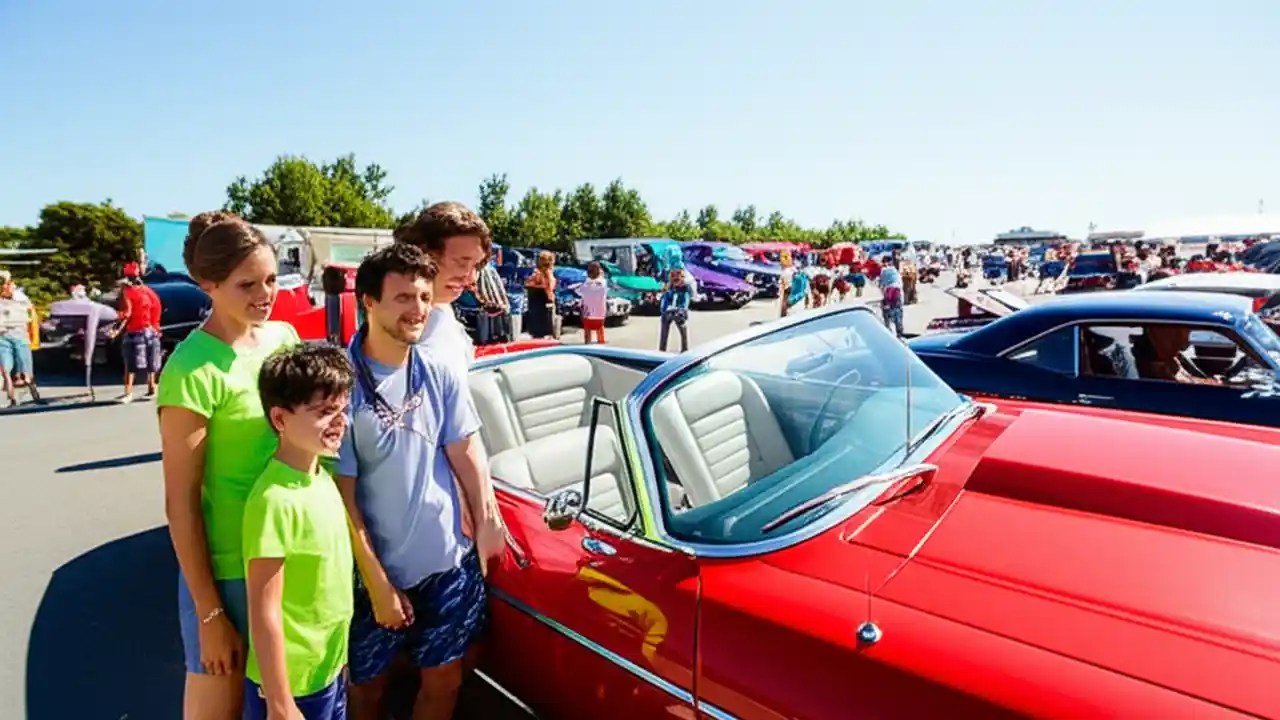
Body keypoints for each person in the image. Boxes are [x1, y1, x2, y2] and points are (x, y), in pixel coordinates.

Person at [336, 244, 505, 720]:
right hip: (375, 573)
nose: (418, 310)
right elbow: (342, 497)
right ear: (368, 301)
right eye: (404, 297)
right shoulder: (341, 386)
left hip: (448, 561)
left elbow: (465, 447)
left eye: (424, 297)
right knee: (367, 689)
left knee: (445, 682)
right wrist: (378, 584)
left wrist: (488, 517)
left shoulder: (436, 371)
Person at [157, 213, 301, 720]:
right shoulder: (191, 370)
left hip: (291, 555)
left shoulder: (283, 338)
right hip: (230, 571)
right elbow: (181, 505)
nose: (266, 294)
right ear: (207, 284)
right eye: (247, 284)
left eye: (271, 279)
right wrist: (209, 612)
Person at [242, 344, 355, 720]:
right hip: (292, 687)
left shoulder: (321, 476)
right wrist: (279, 703)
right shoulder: (273, 501)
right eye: (324, 412)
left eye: (342, 409)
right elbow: (264, 611)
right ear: (279, 419)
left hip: (326, 671)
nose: (339, 422)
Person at [114, 261, 164, 402]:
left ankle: (128, 392)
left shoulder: (127, 292)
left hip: (135, 331)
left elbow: (127, 312)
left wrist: (115, 321)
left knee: (131, 363)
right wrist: (156, 326)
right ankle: (152, 388)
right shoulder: (148, 291)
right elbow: (157, 307)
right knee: (151, 361)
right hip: (151, 330)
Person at [0, 270, 36, 407]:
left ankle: (29, 391)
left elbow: (27, 309)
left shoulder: (19, 297)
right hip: (3, 336)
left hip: (19, 334)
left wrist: (6, 277)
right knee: (5, 369)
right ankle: (12, 398)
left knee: (24, 366)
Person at [472, 259, 509, 345]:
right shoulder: (491, 269)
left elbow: (475, 284)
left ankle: (483, 339)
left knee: (483, 315)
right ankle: (496, 335)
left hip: (483, 299)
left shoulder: (478, 270)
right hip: (495, 298)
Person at [523, 251, 558, 339]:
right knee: (543, 324)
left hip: (539, 300)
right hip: (542, 300)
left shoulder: (541, 273)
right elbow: (549, 286)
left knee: (540, 325)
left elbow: (528, 284)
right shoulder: (542, 273)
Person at [659, 268, 692, 353]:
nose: (676, 279)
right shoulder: (669, 287)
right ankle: (662, 349)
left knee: (682, 328)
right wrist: (665, 309)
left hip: (679, 312)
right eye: (673, 276)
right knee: (664, 329)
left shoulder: (685, 289)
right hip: (668, 312)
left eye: (678, 276)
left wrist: (682, 310)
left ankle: (684, 349)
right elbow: (665, 299)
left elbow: (686, 301)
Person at [578, 261, 609, 344]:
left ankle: (587, 345)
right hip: (600, 313)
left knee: (587, 330)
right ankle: (601, 344)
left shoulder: (586, 284)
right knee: (600, 328)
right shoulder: (603, 283)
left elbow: (580, 292)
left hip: (587, 313)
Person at [878, 255, 905, 338]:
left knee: (887, 312)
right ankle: (899, 332)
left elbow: (881, 284)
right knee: (897, 311)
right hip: (897, 291)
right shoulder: (895, 270)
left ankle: (888, 331)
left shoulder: (883, 271)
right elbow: (900, 283)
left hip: (888, 292)